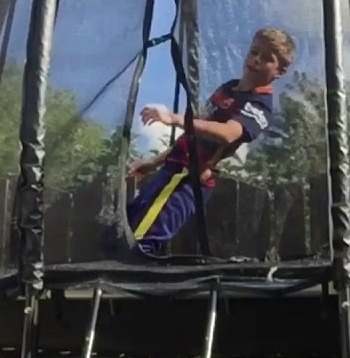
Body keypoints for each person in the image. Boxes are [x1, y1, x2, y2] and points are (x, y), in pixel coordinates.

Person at [120, 27, 296, 260]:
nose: (256, 60)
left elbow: (228, 134)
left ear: (280, 71)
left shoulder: (259, 104)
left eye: (267, 58)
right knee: (129, 228)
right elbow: (194, 134)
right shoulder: (227, 89)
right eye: (254, 52)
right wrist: (154, 162)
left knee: (143, 241)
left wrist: (175, 119)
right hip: (172, 170)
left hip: (190, 178)